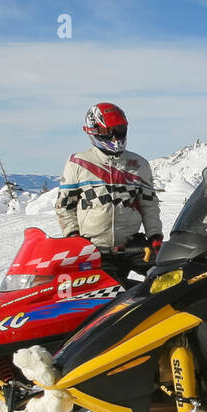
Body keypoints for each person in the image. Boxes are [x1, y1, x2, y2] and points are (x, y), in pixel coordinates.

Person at [56, 102, 163, 283]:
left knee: (169, 281)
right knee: (107, 300)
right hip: (94, 249)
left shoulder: (139, 164)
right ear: (94, 130)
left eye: (120, 129)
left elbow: (149, 205)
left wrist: (155, 237)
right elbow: (65, 206)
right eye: (110, 131)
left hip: (133, 246)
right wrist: (74, 239)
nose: (115, 136)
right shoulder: (78, 163)